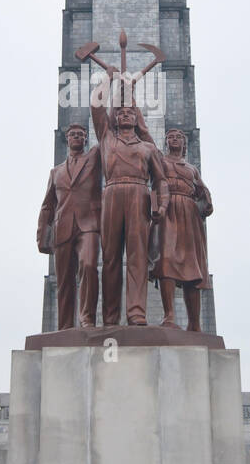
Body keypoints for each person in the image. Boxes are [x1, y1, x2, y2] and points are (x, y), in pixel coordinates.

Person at [90, 92, 169, 326]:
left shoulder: (147, 148)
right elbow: (96, 106)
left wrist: (162, 204)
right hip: (112, 192)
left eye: (130, 112)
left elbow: (161, 179)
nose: (125, 115)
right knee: (111, 257)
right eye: (121, 112)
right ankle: (110, 316)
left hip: (139, 194)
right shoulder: (106, 139)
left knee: (137, 256)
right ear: (114, 118)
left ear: (137, 119)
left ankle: (136, 312)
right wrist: (107, 79)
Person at [36, 124, 101, 329]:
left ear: (85, 139)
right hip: (62, 227)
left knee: (89, 266)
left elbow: (105, 129)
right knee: (64, 279)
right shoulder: (55, 172)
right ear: (67, 139)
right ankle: (64, 327)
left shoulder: (93, 159)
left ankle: (87, 318)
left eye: (81, 135)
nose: (77, 138)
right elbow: (47, 205)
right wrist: (42, 236)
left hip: (88, 224)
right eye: (73, 135)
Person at [149, 128, 212, 331]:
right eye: (170, 137)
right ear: (166, 143)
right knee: (165, 260)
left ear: (184, 144)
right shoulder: (160, 160)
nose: (174, 140)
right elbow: (153, 185)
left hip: (189, 213)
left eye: (178, 137)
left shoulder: (192, 168)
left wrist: (206, 200)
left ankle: (194, 323)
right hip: (167, 210)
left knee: (192, 267)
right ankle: (169, 316)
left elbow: (202, 190)